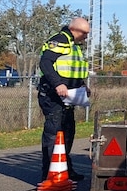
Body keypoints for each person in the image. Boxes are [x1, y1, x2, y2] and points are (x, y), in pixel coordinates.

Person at [37, 17, 91, 181]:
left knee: (68, 132)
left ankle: (65, 169)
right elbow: (45, 63)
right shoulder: (60, 40)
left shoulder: (73, 45)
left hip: (69, 96)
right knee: (54, 133)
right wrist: (58, 84)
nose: (86, 38)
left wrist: (82, 85)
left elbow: (71, 69)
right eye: (85, 34)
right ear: (75, 30)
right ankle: (50, 174)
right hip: (54, 96)